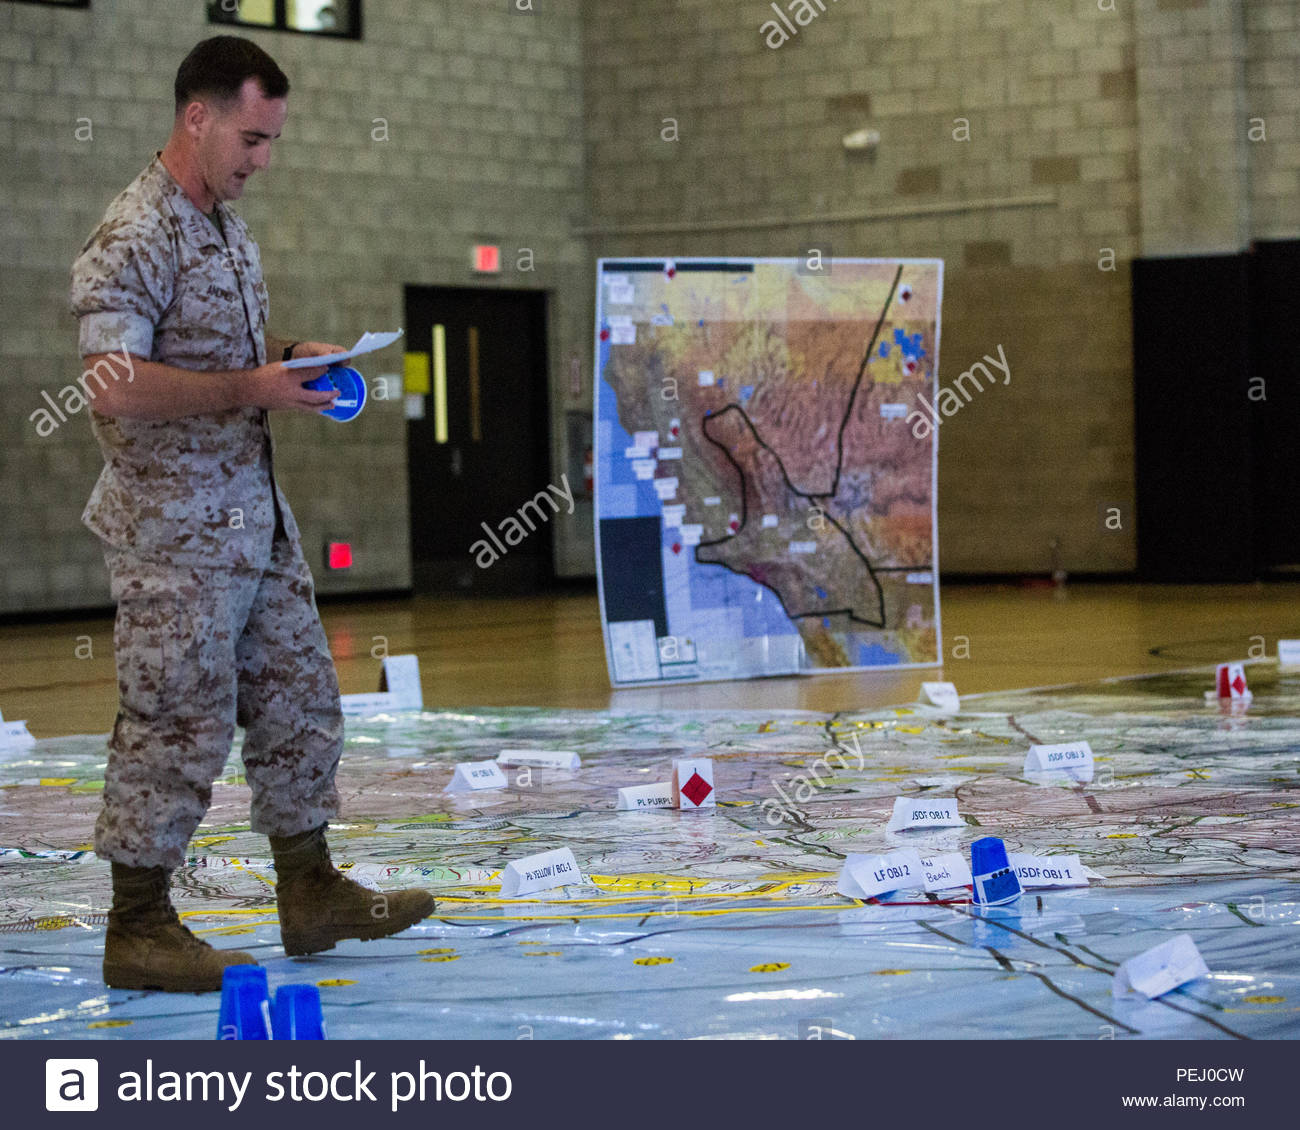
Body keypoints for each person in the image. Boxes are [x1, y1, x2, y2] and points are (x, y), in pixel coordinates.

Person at [69, 35, 433, 992]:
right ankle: (138, 926)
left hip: (251, 521)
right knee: (175, 720)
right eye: (253, 137)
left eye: (272, 140)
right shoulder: (133, 232)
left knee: (300, 701)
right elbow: (110, 381)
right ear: (199, 116)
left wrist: (292, 357)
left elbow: (219, 347)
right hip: (172, 532)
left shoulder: (225, 228)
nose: (263, 159)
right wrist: (249, 385)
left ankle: (309, 892)